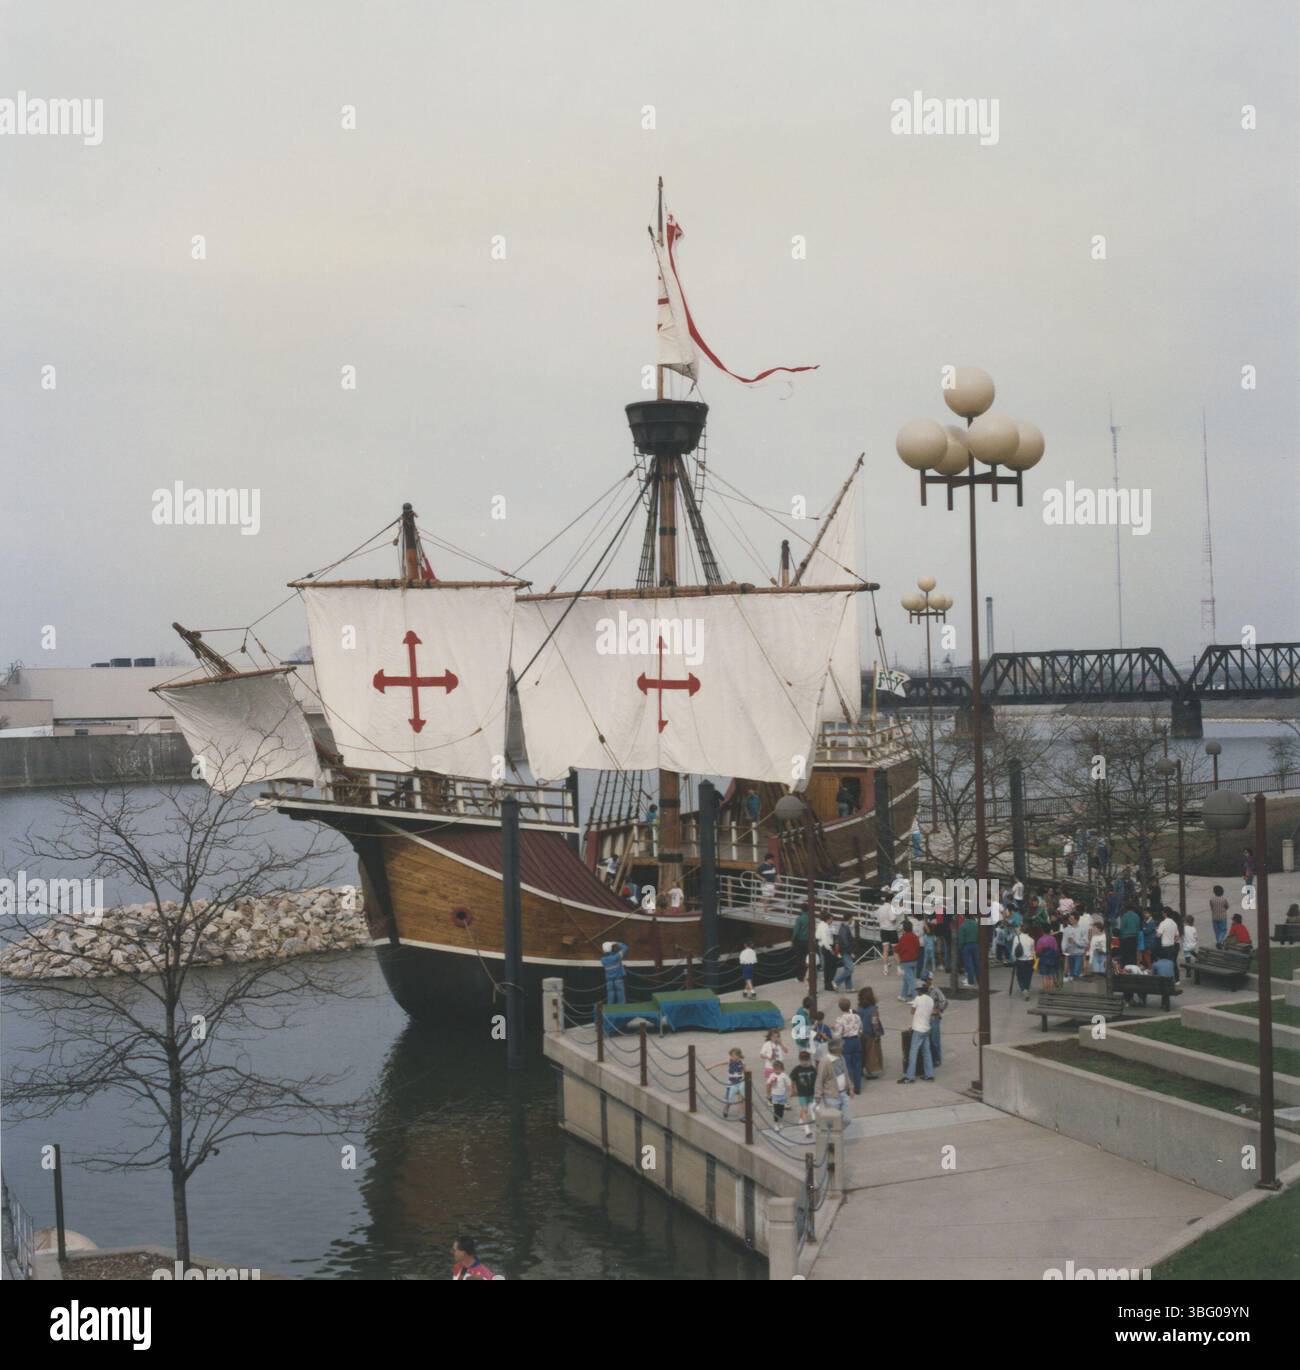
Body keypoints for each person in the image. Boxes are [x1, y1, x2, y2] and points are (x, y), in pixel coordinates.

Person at [899, 985, 936, 1083]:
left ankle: (910, 1076)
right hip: (926, 1028)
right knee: (926, 1052)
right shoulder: (930, 1000)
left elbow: (912, 1011)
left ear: (919, 991)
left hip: (918, 1029)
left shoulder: (918, 999)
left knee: (913, 1052)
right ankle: (929, 1075)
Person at [815, 1040, 852, 1123]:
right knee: (834, 1121)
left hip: (843, 1093)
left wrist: (850, 1087)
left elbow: (845, 1072)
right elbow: (819, 1079)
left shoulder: (841, 1057)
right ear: (836, 1049)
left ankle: (837, 1133)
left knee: (847, 1120)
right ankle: (835, 1134)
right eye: (841, 1047)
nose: (843, 1048)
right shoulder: (825, 1062)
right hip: (831, 1096)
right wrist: (818, 1095)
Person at [834, 996, 864, 1094]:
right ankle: (858, 1088)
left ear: (840, 1008)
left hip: (846, 1042)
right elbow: (860, 1029)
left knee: (847, 1066)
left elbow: (837, 1035)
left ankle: (849, 1087)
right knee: (857, 1064)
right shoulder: (857, 1017)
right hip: (856, 1040)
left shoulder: (840, 1019)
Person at [920, 973, 947, 1066]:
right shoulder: (921, 990)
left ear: (930, 980)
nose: (923, 982)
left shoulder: (935, 991)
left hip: (934, 1018)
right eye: (923, 980)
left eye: (925, 980)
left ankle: (937, 1059)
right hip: (924, 1019)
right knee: (927, 1040)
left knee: (935, 1040)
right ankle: (930, 1059)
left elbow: (944, 1001)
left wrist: (938, 1009)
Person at [857, 986, 884, 1079]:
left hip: (861, 1033)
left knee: (861, 1052)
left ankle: (859, 1069)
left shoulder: (859, 1008)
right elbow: (875, 1023)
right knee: (870, 1053)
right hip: (870, 1034)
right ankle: (869, 1071)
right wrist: (877, 1034)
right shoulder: (873, 1009)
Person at [789, 1050, 818, 1138]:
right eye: (802, 1060)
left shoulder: (812, 1069)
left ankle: (801, 1120)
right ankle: (807, 1130)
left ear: (809, 1059)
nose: (804, 1062)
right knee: (805, 1109)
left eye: (806, 1060)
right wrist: (792, 1090)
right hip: (802, 1094)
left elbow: (817, 1081)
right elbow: (792, 1080)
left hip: (811, 1093)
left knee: (810, 1108)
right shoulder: (797, 1069)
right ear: (799, 1060)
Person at [896, 919, 921, 1002]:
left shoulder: (903, 938)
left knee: (910, 979)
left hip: (906, 961)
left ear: (904, 929)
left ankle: (916, 998)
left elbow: (898, 949)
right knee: (907, 978)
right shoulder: (915, 936)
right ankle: (903, 995)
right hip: (914, 960)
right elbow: (918, 946)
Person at [716, 1047, 746, 1119]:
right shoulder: (730, 1061)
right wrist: (710, 1067)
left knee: (742, 1099)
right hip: (731, 1083)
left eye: (733, 1055)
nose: (731, 1057)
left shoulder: (742, 1063)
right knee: (729, 1099)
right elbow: (720, 1063)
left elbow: (745, 1072)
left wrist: (745, 1080)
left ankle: (743, 1114)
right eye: (731, 1055)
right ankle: (726, 1108)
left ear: (738, 1055)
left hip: (740, 1082)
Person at [958, 909, 981, 989]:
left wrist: (960, 948)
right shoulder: (976, 924)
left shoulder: (963, 926)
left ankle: (971, 981)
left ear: (964, 916)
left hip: (966, 946)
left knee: (969, 965)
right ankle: (979, 980)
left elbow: (961, 939)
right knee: (976, 964)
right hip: (976, 945)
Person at [1155, 908, 1181, 980]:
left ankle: (1165, 979)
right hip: (1172, 946)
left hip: (1164, 946)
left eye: (1163, 913)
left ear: (1165, 914)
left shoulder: (1163, 923)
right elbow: (1177, 936)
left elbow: (1158, 935)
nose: (1162, 914)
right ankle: (1176, 979)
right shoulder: (1174, 923)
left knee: (1164, 963)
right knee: (1172, 963)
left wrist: (1156, 931)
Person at [766, 1059, 791, 1133]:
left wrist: (791, 1091)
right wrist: (768, 1094)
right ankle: (776, 1123)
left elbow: (789, 1083)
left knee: (781, 1109)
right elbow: (768, 1084)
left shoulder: (784, 1075)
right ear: (773, 1069)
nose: (777, 1070)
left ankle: (780, 1121)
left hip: (782, 1095)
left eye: (779, 1069)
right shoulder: (772, 1075)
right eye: (775, 1069)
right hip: (775, 1095)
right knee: (776, 1110)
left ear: (782, 1069)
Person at [1011, 924, 1035, 999]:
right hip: (1030, 961)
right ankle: (1026, 989)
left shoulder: (1016, 938)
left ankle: (1023, 990)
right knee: (1028, 976)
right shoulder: (1031, 940)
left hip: (1020, 961)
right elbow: (1033, 952)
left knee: (1020, 976)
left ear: (1021, 930)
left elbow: (1013, 951)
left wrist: (1014, 960)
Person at [601, 940, 629, 1004]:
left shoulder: (603, 960)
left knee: (610, 999)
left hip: (609, 982)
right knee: (621, 1000)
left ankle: (609, 1012)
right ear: (611, 948)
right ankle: (621, 1012)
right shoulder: (617, 957)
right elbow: (625, 947)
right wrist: (616, 943)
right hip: (618, 980)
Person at [877, 895, 899, 976]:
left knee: (885, 951)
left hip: (883, 931)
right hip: (892, 930)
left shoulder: (880, 908)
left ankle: (885, 970)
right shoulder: (891, 908)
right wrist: (896, 919)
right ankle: (899, 969)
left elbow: (878, 919)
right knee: (896, 951)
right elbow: (893, 919)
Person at [1035, 925, 1060, 991]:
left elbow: (1038, 951)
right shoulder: (1053, 939)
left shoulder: (1040, 940)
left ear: (1042, 931)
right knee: (1051, 976)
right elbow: (1056, 949)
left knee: (1045, 976)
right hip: (1052, 960)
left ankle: (1046, 991)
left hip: (1043, 960)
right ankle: (1050, 991)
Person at [832, 921, 855, 992]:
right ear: (849, 919)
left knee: (847, 968)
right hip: (846, 951)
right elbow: (845, 942)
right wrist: (850, 952)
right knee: (850, 969)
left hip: (844, 951)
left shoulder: (843, 927)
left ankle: (849, 987)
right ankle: (836, 982)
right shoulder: (844, 929)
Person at [1117, 904, 1141, 968]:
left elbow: (1122, 928)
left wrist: (1120, 937)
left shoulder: (1124, 916)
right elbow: (1138, 928)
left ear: (1126, 909)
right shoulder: (1137, 916)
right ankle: (1133, 967)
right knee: (1133, 954)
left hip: (1125, 938)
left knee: (1125, 954)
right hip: (1134, 937)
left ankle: (1125, 967)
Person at [817, 915, 836, 991]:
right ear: (827, 919)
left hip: (827, 946)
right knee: (830, 967)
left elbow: (833, 933)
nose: (832, 921)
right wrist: (830, 949)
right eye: (831, 919)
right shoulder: (824, 927)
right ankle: (828, 984)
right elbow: (825, 939)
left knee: (829, 967)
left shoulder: (827, 926)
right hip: (827, 947)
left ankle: (828, 984)